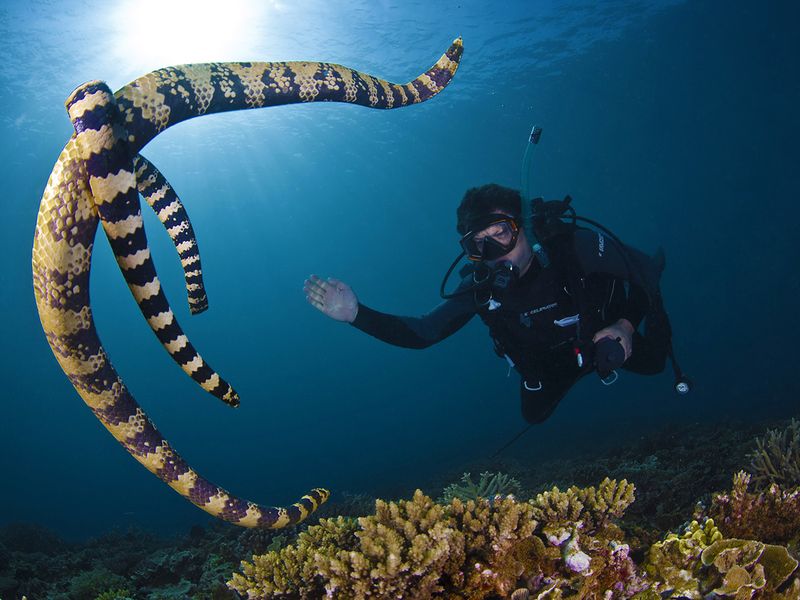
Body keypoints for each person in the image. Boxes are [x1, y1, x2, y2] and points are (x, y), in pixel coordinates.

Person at [304, 183, 677, 424]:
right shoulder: (480, 287)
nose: (495, 251)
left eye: (501, 233)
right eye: (479, 244)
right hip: (548, 367)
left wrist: (625, 325)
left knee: (656, 364)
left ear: (524, 226)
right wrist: (356, 314)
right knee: (533, 417)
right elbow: (423, 332)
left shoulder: (573, 248)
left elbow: (645, 271)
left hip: (606, 338)